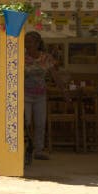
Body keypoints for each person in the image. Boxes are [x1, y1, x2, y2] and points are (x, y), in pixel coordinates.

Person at [24, 31, 66, 161]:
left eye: (30, 42)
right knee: (26, 123)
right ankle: (24, 149)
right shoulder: (21, 57)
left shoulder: (46, 58)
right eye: (25, 41)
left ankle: (39, 150)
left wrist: (64, 91)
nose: (27, 44)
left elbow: (55, 75)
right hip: (25, 95)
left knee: (40, 123)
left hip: (40, 96)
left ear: (37, 43)